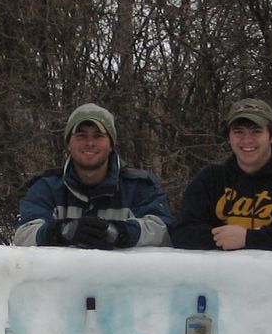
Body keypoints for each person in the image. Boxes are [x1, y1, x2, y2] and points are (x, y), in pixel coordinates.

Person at [173, 98, 272, 251]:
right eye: (238, 132)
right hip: (220, 275)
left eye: (256, 131)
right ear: (228, 137)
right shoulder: (211, 179)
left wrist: (249, 238)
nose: (247, 140)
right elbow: (183, 232)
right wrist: (222, 238)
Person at [13, 103, 175, 248]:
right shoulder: (46, 188)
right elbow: (24, 234)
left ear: (111, 144)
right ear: (69, 143)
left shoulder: (138, 187)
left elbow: (164, 231)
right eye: (81, 135)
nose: (90, 143)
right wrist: (63, 231)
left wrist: (120, 232)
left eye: (98, 135)